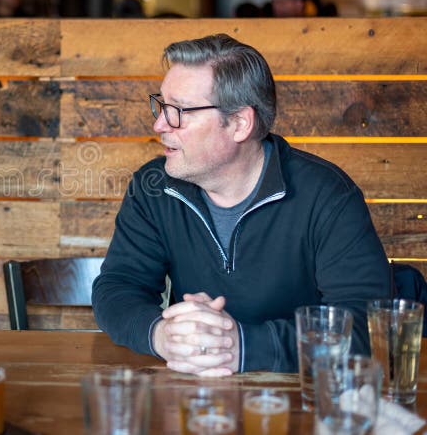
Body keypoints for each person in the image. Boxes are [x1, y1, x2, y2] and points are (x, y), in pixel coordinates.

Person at [91, 33, 391, 375]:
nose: (159, 124)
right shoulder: (153, 187)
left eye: (179, 111)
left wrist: (245, 347)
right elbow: (117, 287)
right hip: (193, 398)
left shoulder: (326, 195)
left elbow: (367, 324)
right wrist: (161, 334)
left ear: (238, 123)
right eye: (162, 105)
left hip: (298, 402)